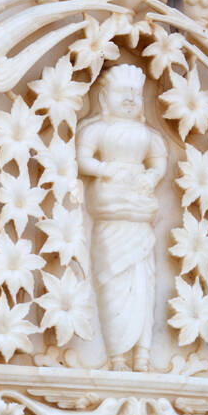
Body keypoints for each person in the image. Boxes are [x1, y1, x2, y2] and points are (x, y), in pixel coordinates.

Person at [76, 64, 168, 372]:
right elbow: (83, 158)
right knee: (112, 282)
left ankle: (142, 352)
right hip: (109, 210)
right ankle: (117, 356)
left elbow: (159, 162)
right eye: (122, 92)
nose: (130, 99)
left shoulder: (147, 134)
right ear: (104, 99)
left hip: (140, 212)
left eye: (135, 93)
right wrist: (104, 170)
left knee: (144, 281)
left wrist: (151, 178)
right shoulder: (96, 130)